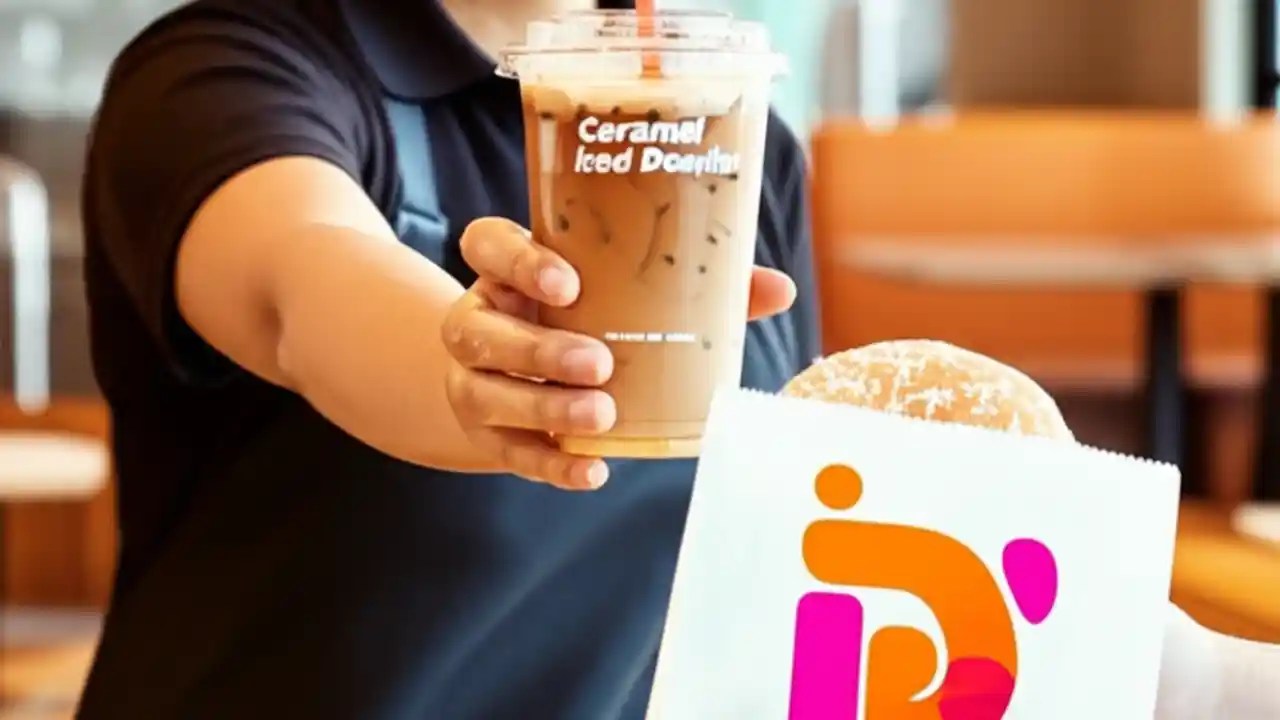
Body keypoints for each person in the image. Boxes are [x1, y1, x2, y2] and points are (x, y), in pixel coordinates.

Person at [77, 0, 818, 717]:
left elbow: (773, 557)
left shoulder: (738, 128)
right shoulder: (222, 75)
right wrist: (469, 371)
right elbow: (296, 285)